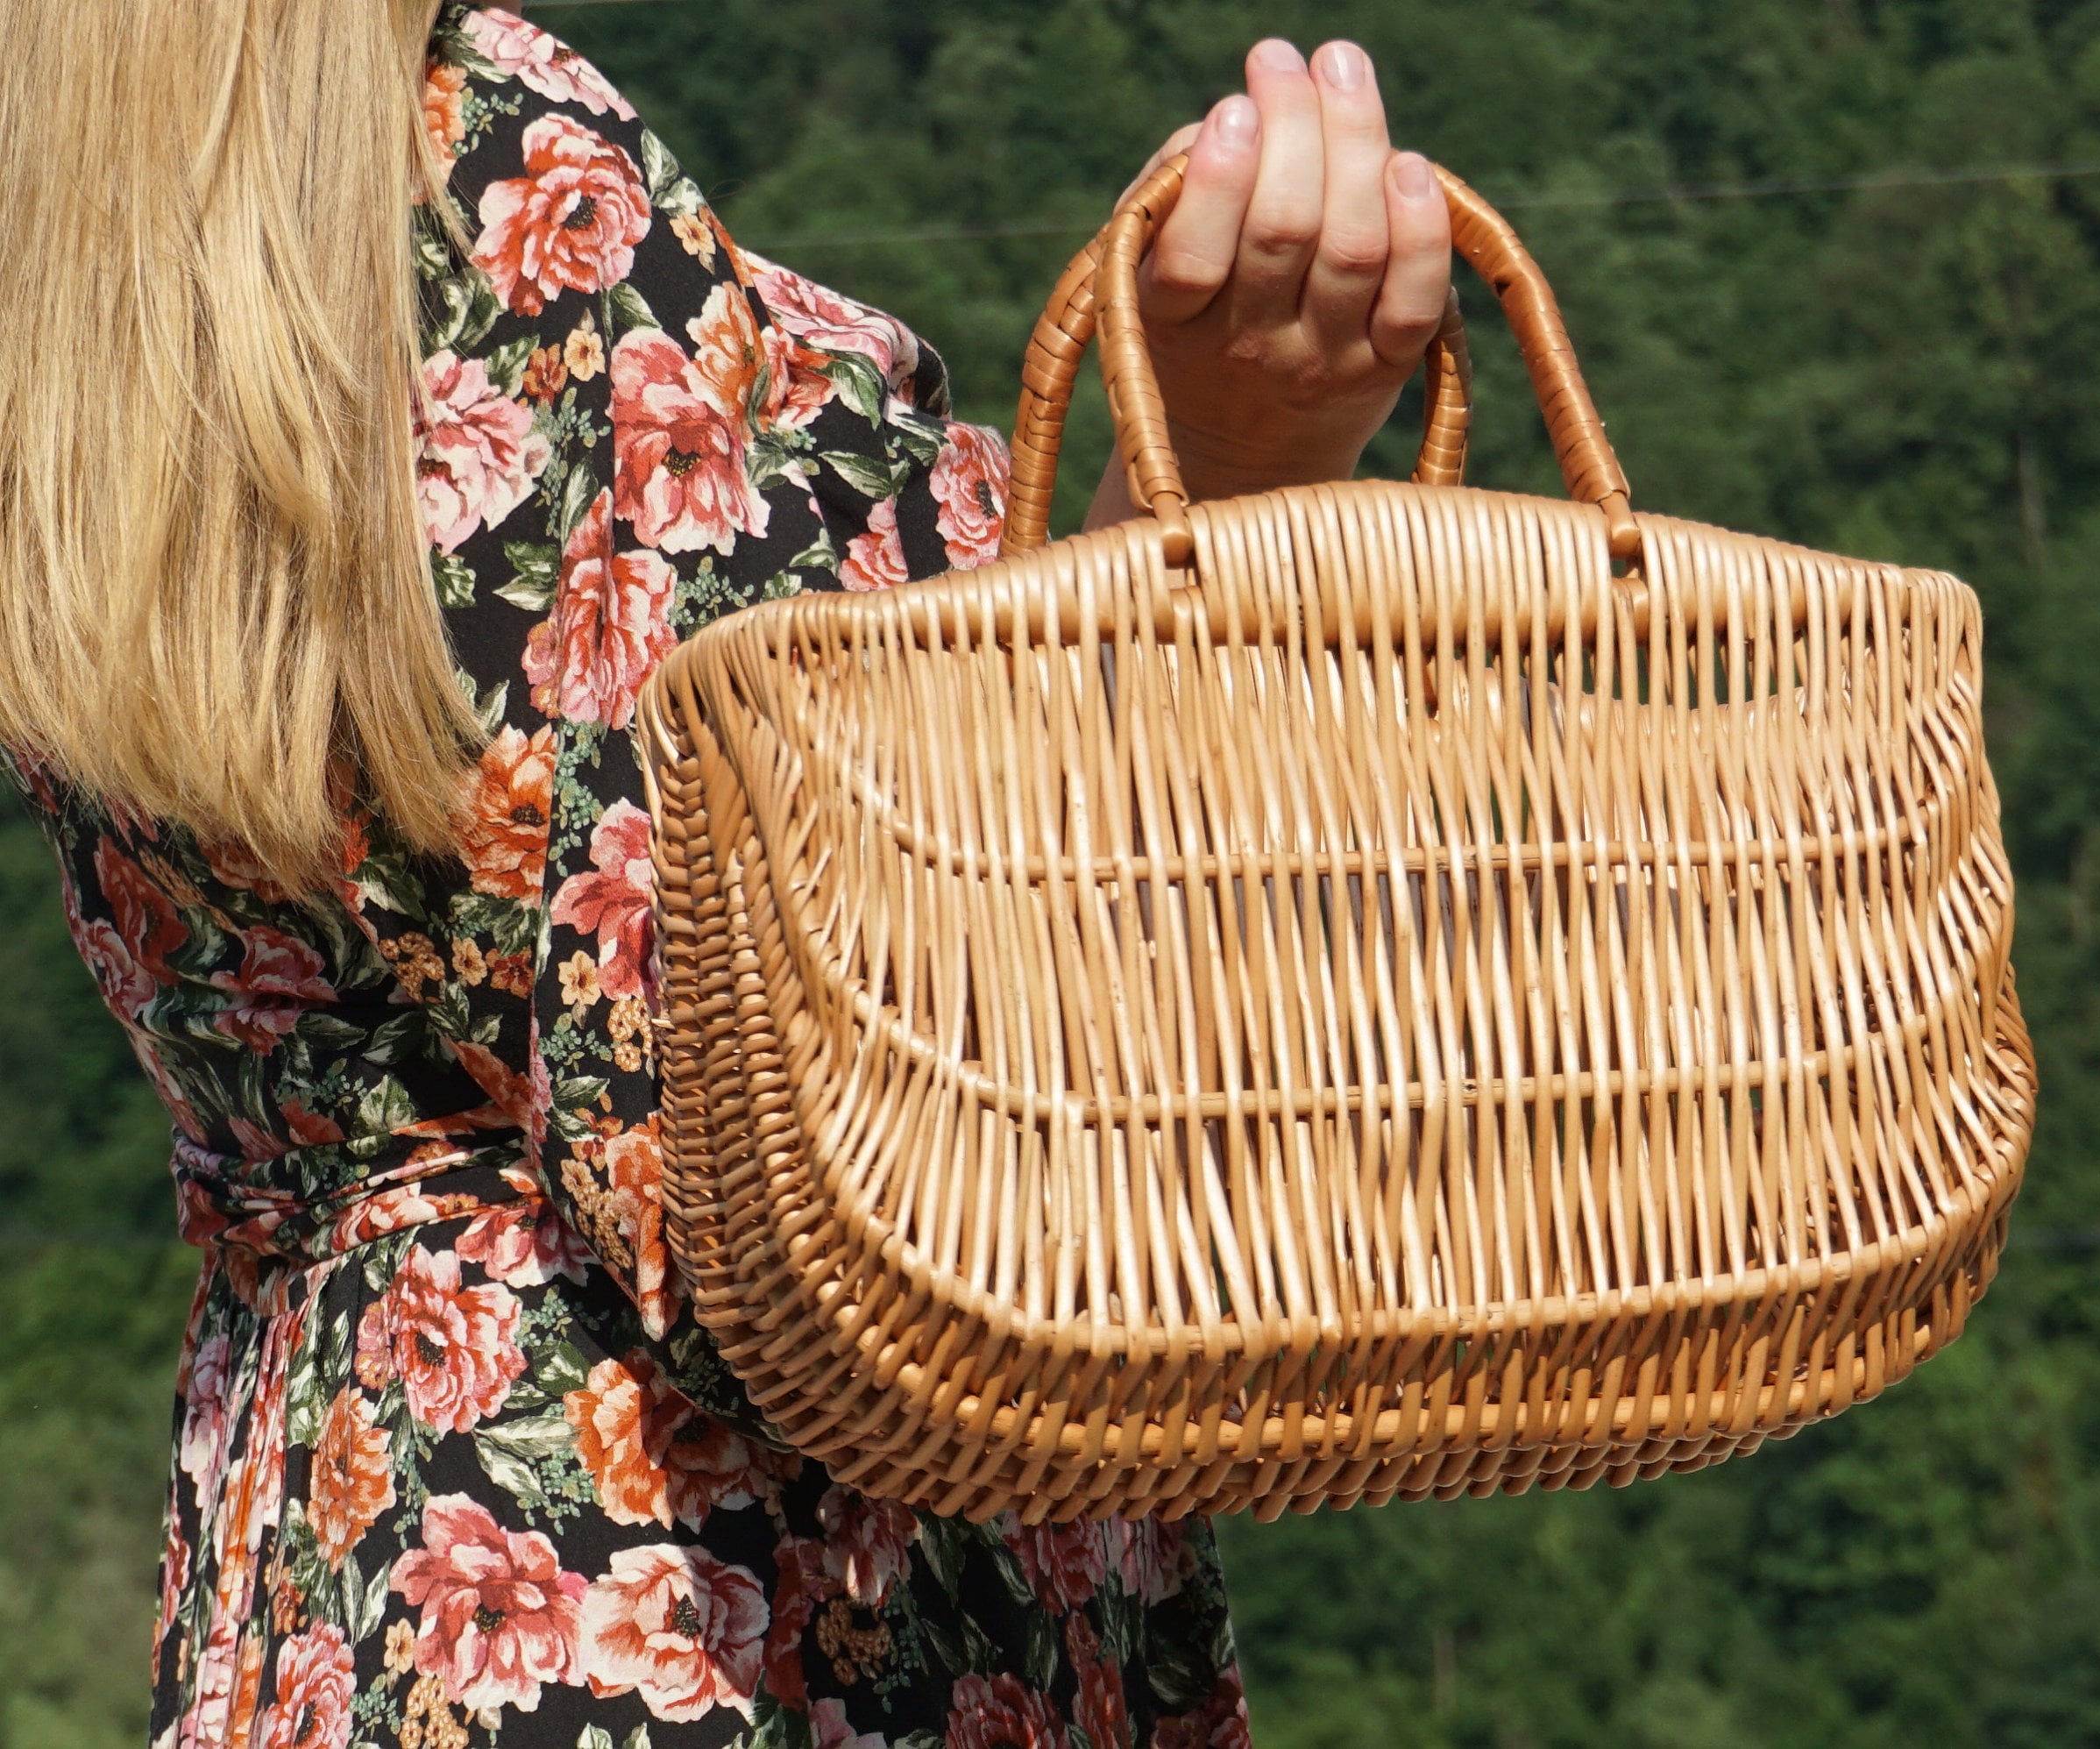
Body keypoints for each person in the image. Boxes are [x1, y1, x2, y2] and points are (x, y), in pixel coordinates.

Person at [0, 3, 1452, 1743]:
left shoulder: (148, 190)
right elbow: (825, 1116)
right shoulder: (485, 167)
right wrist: (1214, 479)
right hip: (716, 1616)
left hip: (366, 1565)